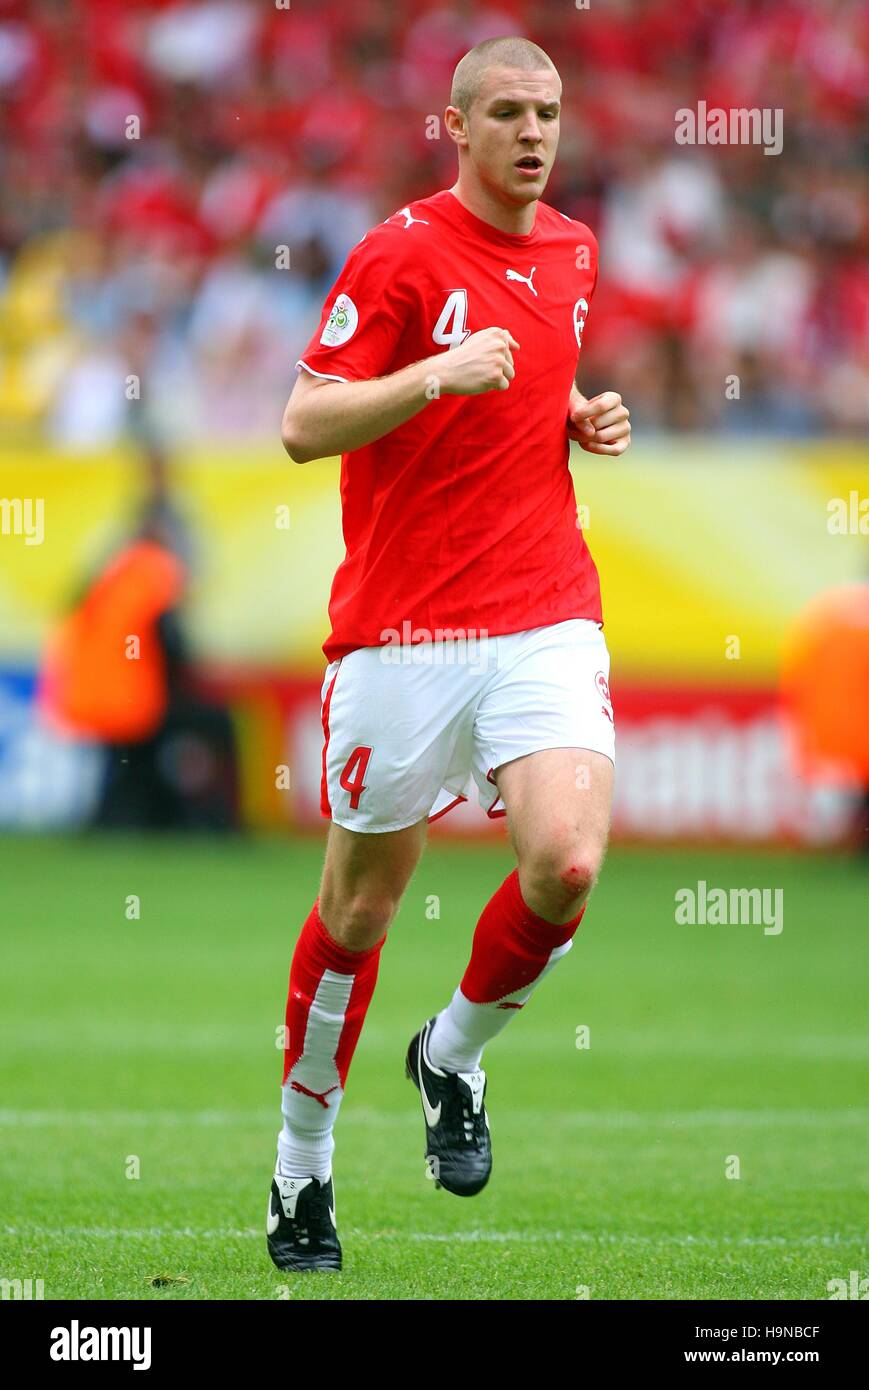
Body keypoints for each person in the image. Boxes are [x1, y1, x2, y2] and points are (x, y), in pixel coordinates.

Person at [268, 35, 631, 1272]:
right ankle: (300, 1172)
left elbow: (529, 386)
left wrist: (578, 415)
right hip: (401, 635)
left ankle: (452, 1054)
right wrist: (432, 376)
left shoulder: (576, 252)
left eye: (549, 114)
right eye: (510, 114)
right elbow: (302, 422)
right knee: (357, 912)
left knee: (566, 864)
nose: (535, 134)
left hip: (541, 613)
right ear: (456, 126)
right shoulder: (397, 252)